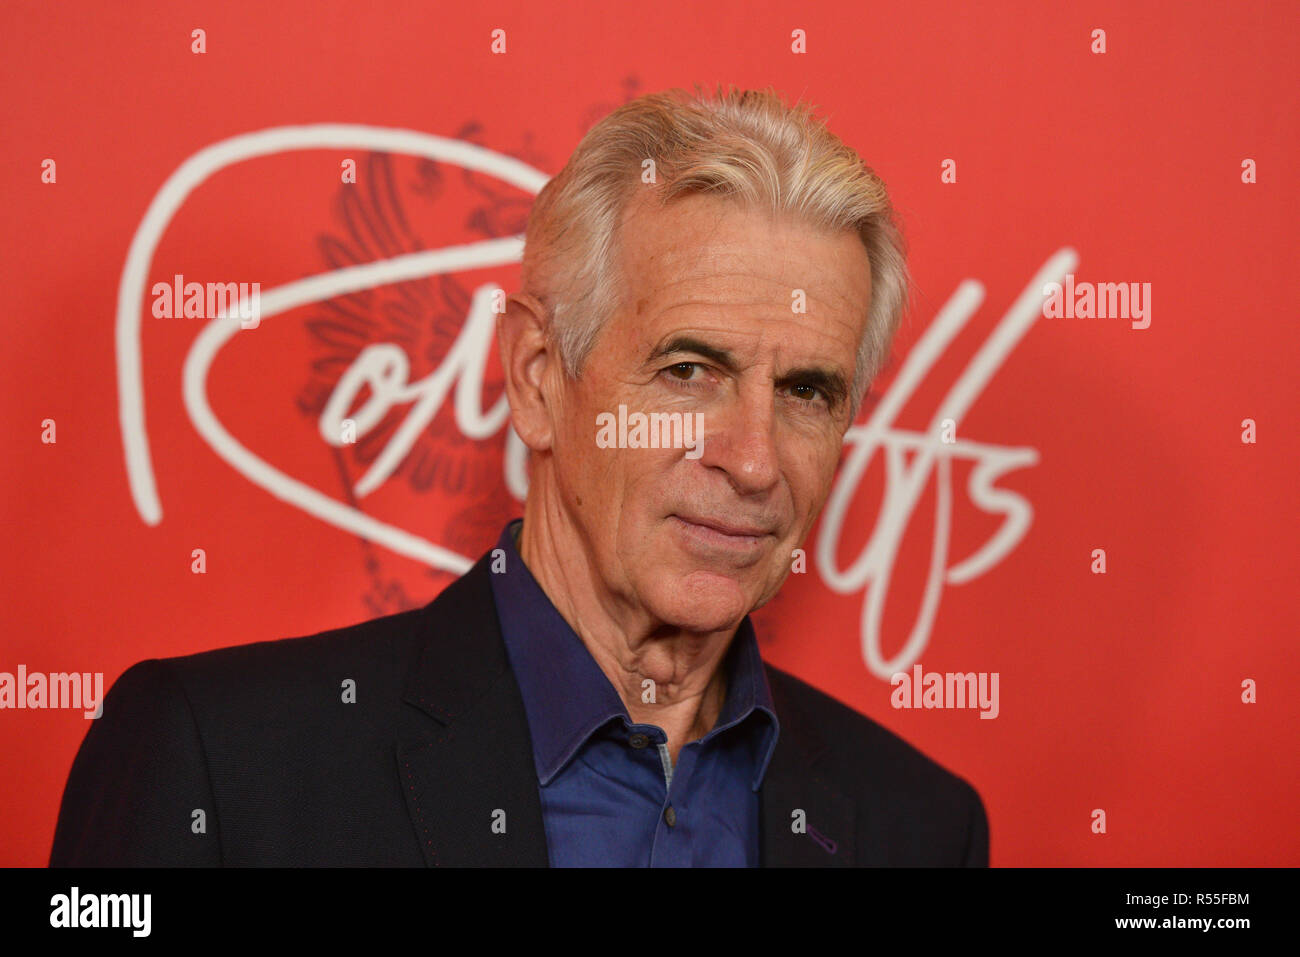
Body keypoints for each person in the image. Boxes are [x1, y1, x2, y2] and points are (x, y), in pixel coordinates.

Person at [50, 85, 988, 867]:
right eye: (688, 371)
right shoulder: (221, 770)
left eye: (807, 391)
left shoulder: (919, 829)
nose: (751, 459)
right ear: (539, 377)